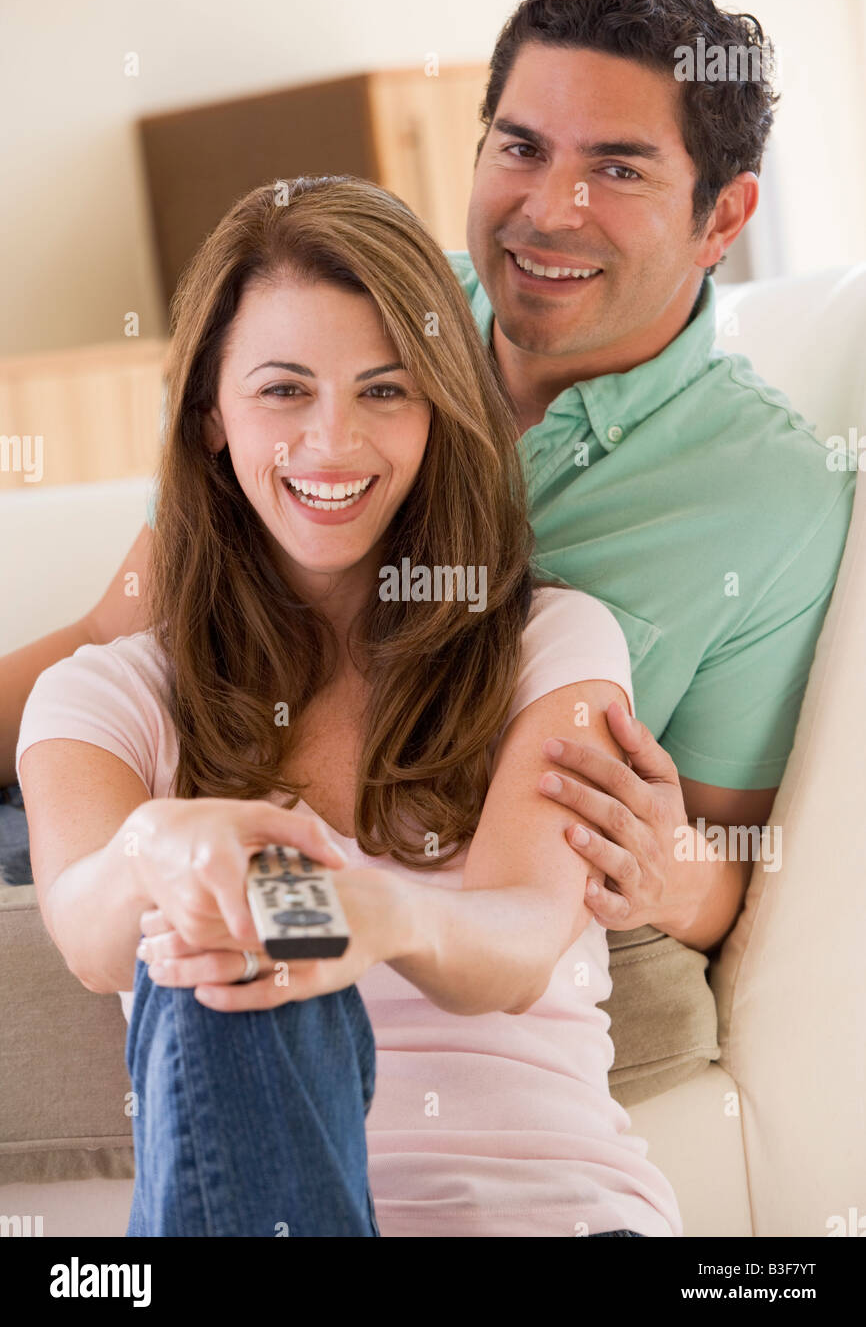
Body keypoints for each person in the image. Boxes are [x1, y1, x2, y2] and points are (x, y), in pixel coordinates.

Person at [2, 0, 855, 955]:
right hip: (162, 834)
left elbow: (732, 854)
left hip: (439, 920)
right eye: (521, 147)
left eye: (615, 168)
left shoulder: (769, 499)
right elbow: (120, 627)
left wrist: (674, 876)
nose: (546, 209)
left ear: (722, 217)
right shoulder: (343, 304)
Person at [16, 173, 679, 1237]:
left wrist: (377, 916)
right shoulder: (104, 695)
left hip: (546, 1217)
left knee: (273, 913)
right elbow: (91, 933)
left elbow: (519, 940)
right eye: (283, 390)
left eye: (384, 389)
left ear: (437, 408)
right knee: (224, 923)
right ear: (209, 419)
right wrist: (161, 846)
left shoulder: (548, 644)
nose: (333, 443)